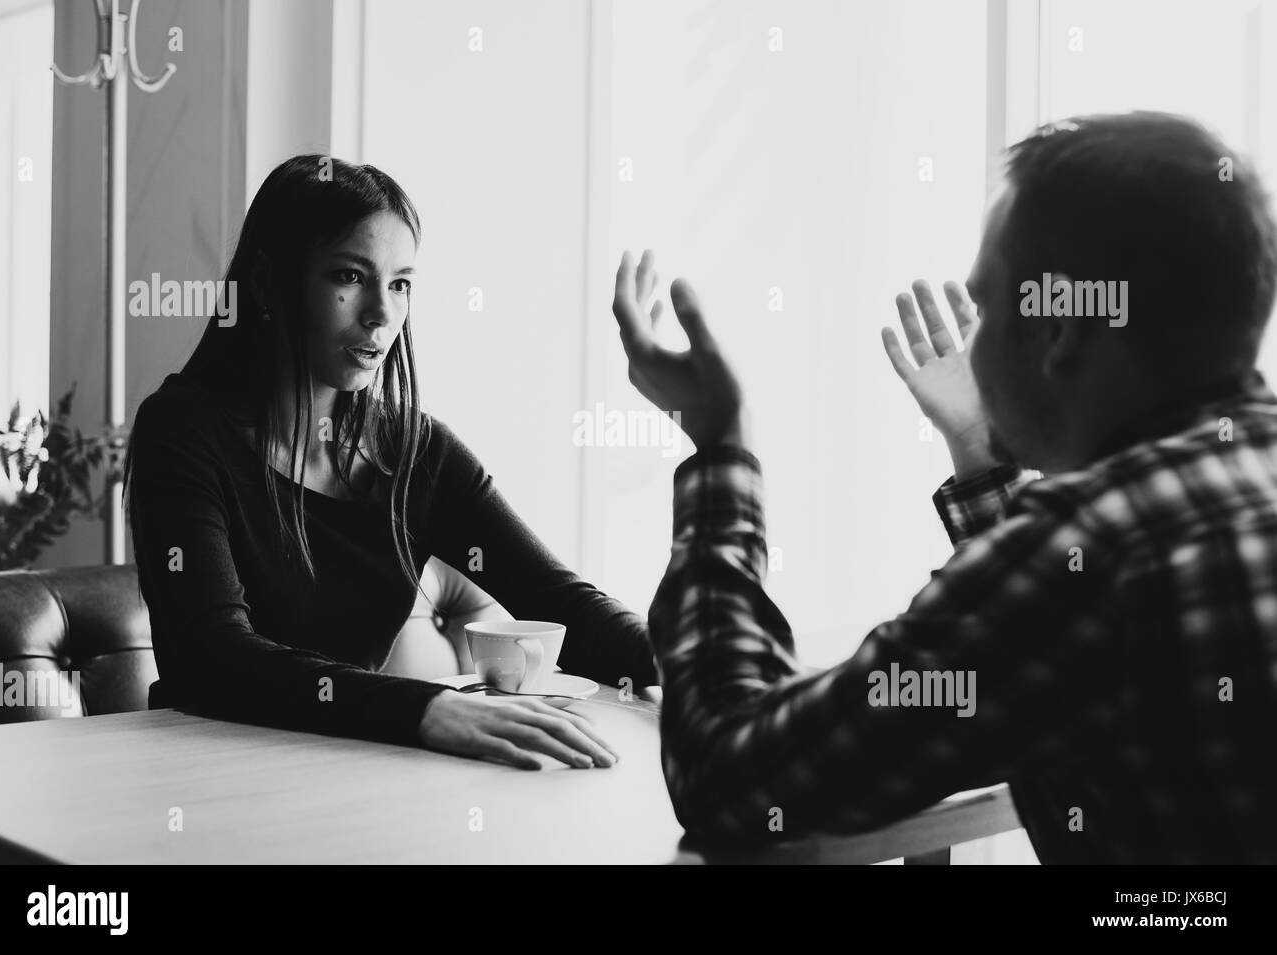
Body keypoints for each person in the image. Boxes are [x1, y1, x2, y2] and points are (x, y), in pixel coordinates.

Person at [612, 112, 1277, 863]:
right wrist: (979, 450)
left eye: (986, 306)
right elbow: (1065, 640)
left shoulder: (1080, 555)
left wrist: (720, 446)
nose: (972, 339)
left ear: (1058, 331)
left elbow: (730, 772)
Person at [125, 155, 658, 770]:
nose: (381, 313)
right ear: (270, 284)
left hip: (354, 768)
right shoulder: (183, 430)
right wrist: (428, 710)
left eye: (401, 283)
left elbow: (560, 602)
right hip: (206, 773)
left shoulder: (413, 451)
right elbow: (212, 659)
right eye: (349, 276)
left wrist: (705, 666)